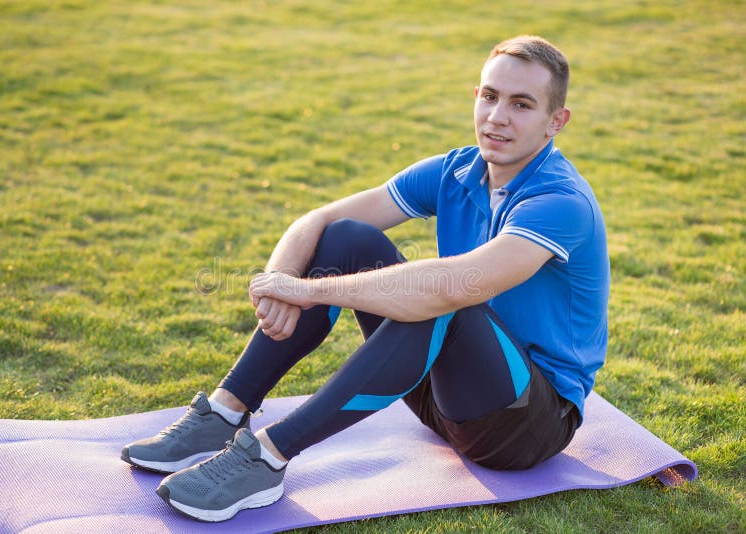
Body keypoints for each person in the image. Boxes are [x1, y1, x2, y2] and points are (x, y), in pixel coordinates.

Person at [121, 35, 609, 523]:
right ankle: (226, 411)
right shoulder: (458, 169)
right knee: (347, 238)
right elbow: (319, 220)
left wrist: (309, 291)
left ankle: (265, 457)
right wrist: (279, 279)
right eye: (489, 96)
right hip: (443, 395)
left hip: (525, 423)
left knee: (438, 298)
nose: (497, 116)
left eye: (521, 105)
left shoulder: (560, 201)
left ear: (555, 122)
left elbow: (451, 288)